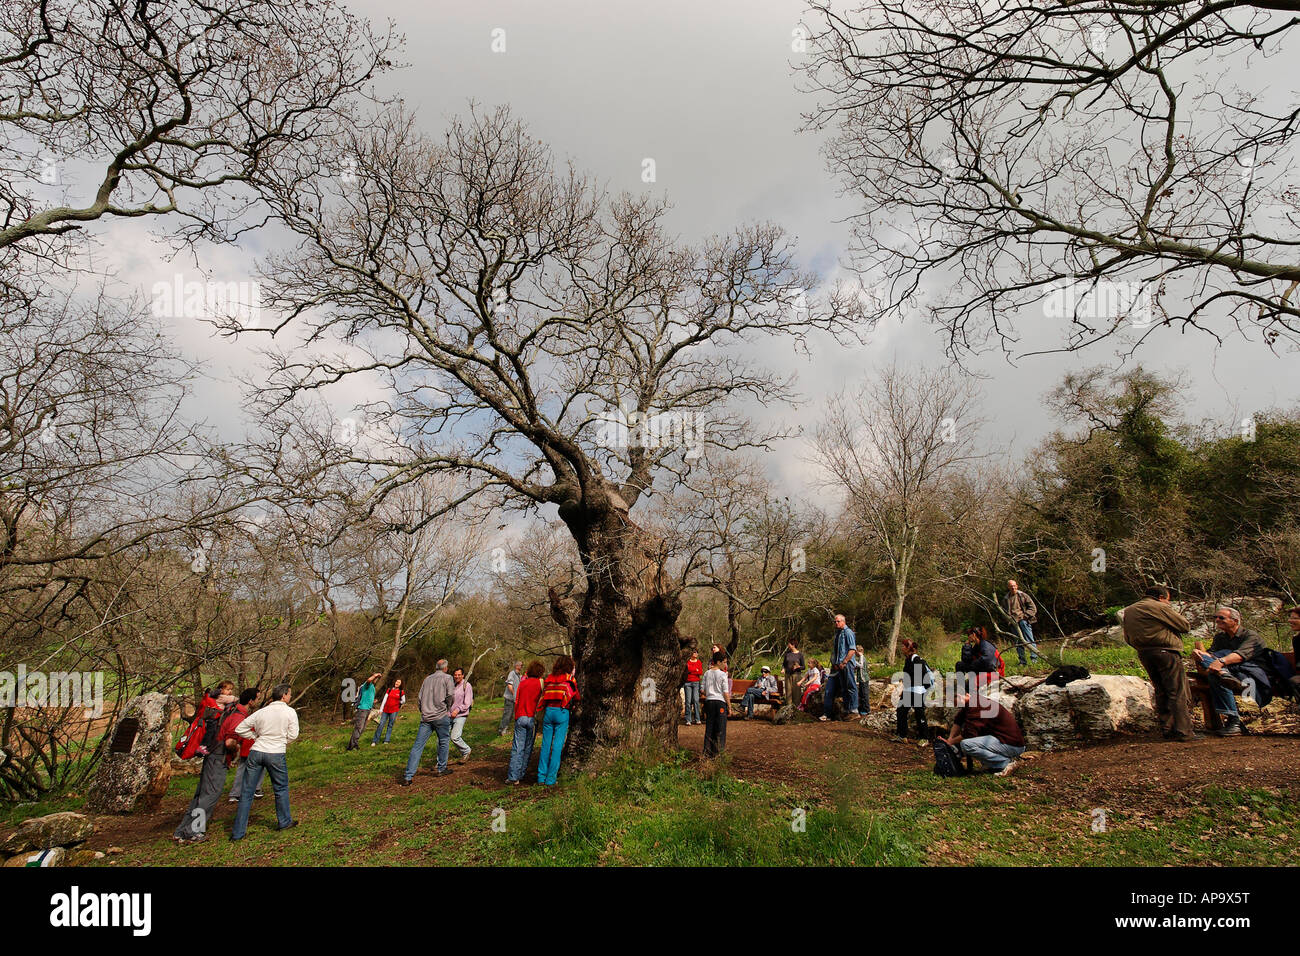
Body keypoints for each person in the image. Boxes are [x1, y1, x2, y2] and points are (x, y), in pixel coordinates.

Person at [1121, 586, 1198, 741]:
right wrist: (1167, 609)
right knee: (1177, 691)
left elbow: (1127, 636)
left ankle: (1167, 728)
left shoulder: (1129, 610)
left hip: (1144, 652)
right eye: (1168, 600)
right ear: (1161, 597)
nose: (1168, 603)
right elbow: (1184, 626)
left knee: (1160, 690)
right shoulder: (1158, 606)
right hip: (1165, 651)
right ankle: (1184, 731)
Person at [230, 684, 300, 841]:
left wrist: (255, 737)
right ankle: (284, 821)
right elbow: (294, 735)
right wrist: (282, 741)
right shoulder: (289, 712)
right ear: (284, 696)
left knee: (247, 792)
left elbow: (240, 728)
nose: (290, 696)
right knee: (280, 788)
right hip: (276, 752)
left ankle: (238, 832)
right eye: (289, 694)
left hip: (257, 751)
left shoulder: (262, 711)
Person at [172, 681, 236, 844]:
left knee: (201, 794)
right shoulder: (220, 703)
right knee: (210, 795)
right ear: (222, 690)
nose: (229, 693)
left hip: (209, 752)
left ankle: (182, 831)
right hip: (216, 753)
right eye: (227, 689)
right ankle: (194, 830)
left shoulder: (209, 702)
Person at [1193, 607, 1269, 736]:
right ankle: (1234, 722)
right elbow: (1210, 656)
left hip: (1251, 673)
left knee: (1222, 661)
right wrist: (1199, 653)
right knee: (1214, 673)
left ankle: (1234, 721)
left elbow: (1240, 656)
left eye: (1221, 618)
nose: (1217, 620)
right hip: (1229, 673)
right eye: (1215, 617)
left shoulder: (1250, 636)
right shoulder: (1220, 637)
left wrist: (1221, 662)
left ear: (1235, 620)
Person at [939, 690, 1025, 776]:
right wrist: (950, 739)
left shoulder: (976, 706)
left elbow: (969, 734)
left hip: (1012, 745)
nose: (956, 706)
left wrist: (951, 742)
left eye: (956, 703)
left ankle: (1004, 763)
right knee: (969, 743)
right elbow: (958, 721)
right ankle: (993, 764)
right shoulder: (972, 702)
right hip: (1003, 741)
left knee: (967, 744)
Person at [401, 660, 456, 785]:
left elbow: (419, 698)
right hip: (441, 716)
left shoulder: (427, 679)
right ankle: (441, 768)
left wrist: (423, 710)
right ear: (446, 668)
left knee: (418, 746)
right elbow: (451, 696)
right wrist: (447, 708)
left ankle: (408, 776)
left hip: (426, 717)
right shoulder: (448, 678)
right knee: (443, 741)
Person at [536, 656, 580, 786]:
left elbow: (544, 695)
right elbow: (576, 696)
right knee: (557, 746)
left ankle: (540, 777)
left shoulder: (549, 678)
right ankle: (551, 779)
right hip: (562, 711)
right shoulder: (569, 679)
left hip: (549, 712)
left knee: (545, 745)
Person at [506, 660, 546, 784]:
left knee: (517, 747)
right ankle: (521, 773)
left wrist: (516, 717)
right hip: (532, 718)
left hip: (521, 717)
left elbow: (516, 700)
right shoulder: (540, 684)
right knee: (528, 747)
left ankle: (513, 776)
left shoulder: (523, 683)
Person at [225, 688, 264, 803]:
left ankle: (236, 793)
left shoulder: (238, 711)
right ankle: (252, 790)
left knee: (243, 769)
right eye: (257, 698)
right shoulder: (240, 715)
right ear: (250, 701)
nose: (258, 701)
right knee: (257, 766)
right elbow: (234, 733)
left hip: (245, 746)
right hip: (246, 746)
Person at [819, 613, 858, 721]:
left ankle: (854, 709)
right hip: (838, 666)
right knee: (844, 688)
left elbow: (852, 650)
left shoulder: (848, 632)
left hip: (847, 664)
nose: (836, 623)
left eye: (838, 621)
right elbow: (837, 651)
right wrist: (836, 663)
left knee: (851, 686)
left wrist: (844, 662)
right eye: (835, 622)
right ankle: (847, 709)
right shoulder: (838, 634)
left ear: (843, 621)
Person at [894, 639, 932, 739]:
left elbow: (922, 675)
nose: (902, 648)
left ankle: (925, 738)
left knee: (919, 714)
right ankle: (902, 736)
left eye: (903, 646)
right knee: (901, 711)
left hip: (917, 691)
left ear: (909, 648)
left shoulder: (916, 659)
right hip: (908, 690)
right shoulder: (908, 659)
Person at [1005, 579, 1041, 664]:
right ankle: (1022, 661)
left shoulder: (1023, 596)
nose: (1013, 587)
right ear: (1008, 587)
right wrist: (1008, 620)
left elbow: (1033, 608)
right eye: (1011, 586)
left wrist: (1025, 617)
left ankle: (1034, 660)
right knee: (1018, 643)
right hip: (1013, 622)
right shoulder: (1006, 599)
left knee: (1029, 640)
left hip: (1023, 621)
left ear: (1017, 586)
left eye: (1014, 586)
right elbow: (1004, 612)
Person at [701, 651, 730, 757]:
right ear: (718, 662)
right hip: (720, 702)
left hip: (709, 702)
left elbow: (702, 689)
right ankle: (718, 753)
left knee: (709, 727)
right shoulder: (722, 675)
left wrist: (710, 691)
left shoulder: (707, 673)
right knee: (720, 728)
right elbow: (725, 692)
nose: (725, 665)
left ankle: (707, 751)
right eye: (724, 662)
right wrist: (729, 706)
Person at [346, 672, 381, 751]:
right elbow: (368, 680)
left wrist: (373, 701)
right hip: (362, 709)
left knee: (362, 728)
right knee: (359, 727)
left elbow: (367, 697)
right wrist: (375, 675)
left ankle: (354, 744)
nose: (376, 680)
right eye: (375, 678)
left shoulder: (372, 687)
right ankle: (352, 746)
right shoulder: (366, 685)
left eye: (377, 679)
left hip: (368, 709)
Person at [449, 667, 474, 762]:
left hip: (461, 715)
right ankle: (440, 763)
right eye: (455, 675)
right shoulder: (452, 685)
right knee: (442, 739)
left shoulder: (467, 685)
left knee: (455, 737)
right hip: (449, 715)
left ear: (463, 675)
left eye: (459, 675)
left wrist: (457, 710)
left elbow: (467, 703)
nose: (457, 676)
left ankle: (466, 750)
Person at [372, 678, 405, 745]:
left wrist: (399, 702)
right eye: (396, 681)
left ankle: (386, 740)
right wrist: (381, 709)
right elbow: (384, 700)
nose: (397, 683)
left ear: (401, 684)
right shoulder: (389, 690)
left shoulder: (401, 692)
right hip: (385, 710)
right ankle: (375, 741)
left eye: (399, 682)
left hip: (394, 710)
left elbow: (404, 700)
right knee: (381, 724)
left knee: (390, 725)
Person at [781, 638, 804, 717]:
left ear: (793, 645)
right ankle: (788, 712)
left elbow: (803, 667)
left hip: (796, 675)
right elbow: (784, 664)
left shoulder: (800, 654)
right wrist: (783, 669)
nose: (788, 645)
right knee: (788, 693)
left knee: (796, 693)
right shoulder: (787, 653)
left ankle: (797, 712)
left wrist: (798, 667)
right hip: (788, 675)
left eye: (789, 644)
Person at [499, 662, 522, 736]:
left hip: (514, 699)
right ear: (517, 665)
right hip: (509, 698)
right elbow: (509, 685)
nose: (521, 666)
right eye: (521, 665)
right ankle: (502, 730)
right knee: (507, 714)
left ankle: (504, 729)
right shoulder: (512, 673)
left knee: (511, 715)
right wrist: (514, 694)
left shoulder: (518, 675)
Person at [683, 648, 704, 725]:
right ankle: (688, 719)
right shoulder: (687, 662)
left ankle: (697, 719)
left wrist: (691, 670)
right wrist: (695, 670)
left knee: (696, 700)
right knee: (688, 702)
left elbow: (700, 672)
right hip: (687, 683)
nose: (695, 653)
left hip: (696, 683)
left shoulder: (699, 662)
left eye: (696, 652)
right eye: (693, 652)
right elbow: (687, 670)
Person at [853, 645, 870, 715]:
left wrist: (854, 661)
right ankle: (862, 708)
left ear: (857, 651)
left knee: (864, 694)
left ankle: (866, 709)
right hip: (861, 679)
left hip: (864, 679)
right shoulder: (860, 658)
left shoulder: (862, 657)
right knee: (862, 694)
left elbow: (861, 665)